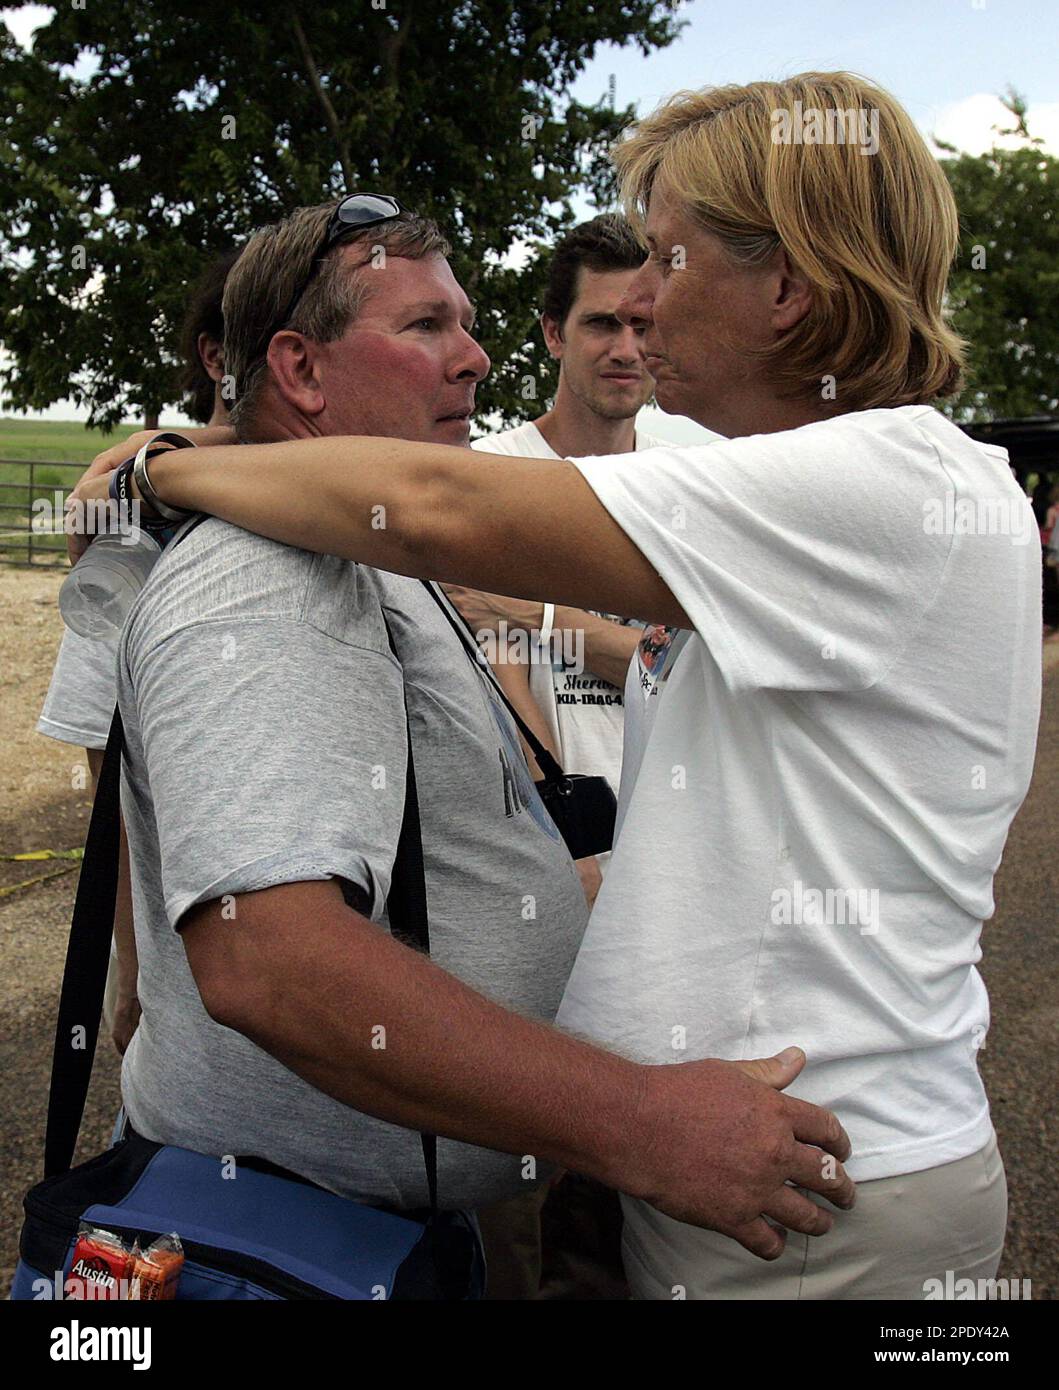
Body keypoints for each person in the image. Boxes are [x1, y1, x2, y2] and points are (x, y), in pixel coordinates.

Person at [79, 71, 1043, 1300]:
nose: (638, 302)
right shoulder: (852, 491)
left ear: (789, 289)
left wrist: (176, 466)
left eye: (670, 258)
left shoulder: (869, 483)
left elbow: (436, 506)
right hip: (768, 1168)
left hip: (806, 1187)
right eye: (427, 329)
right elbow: (641, 679)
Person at [460, 213, 666, 1300]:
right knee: (524, 1198)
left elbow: (691, 672)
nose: (627, 346)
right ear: (550, 332)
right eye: (601, 323)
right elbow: (479, 659)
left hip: (661, 880)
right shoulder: (494, 479)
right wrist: (562, 842)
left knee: (644, 1198)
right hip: (545, 879)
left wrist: (542, 613)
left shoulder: (685, 496)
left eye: (645, 322)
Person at [37, 247, 239, 1054]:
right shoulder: (139, 520)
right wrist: (135, 973)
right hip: (204, 990)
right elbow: (110, 782)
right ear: (216, 357)